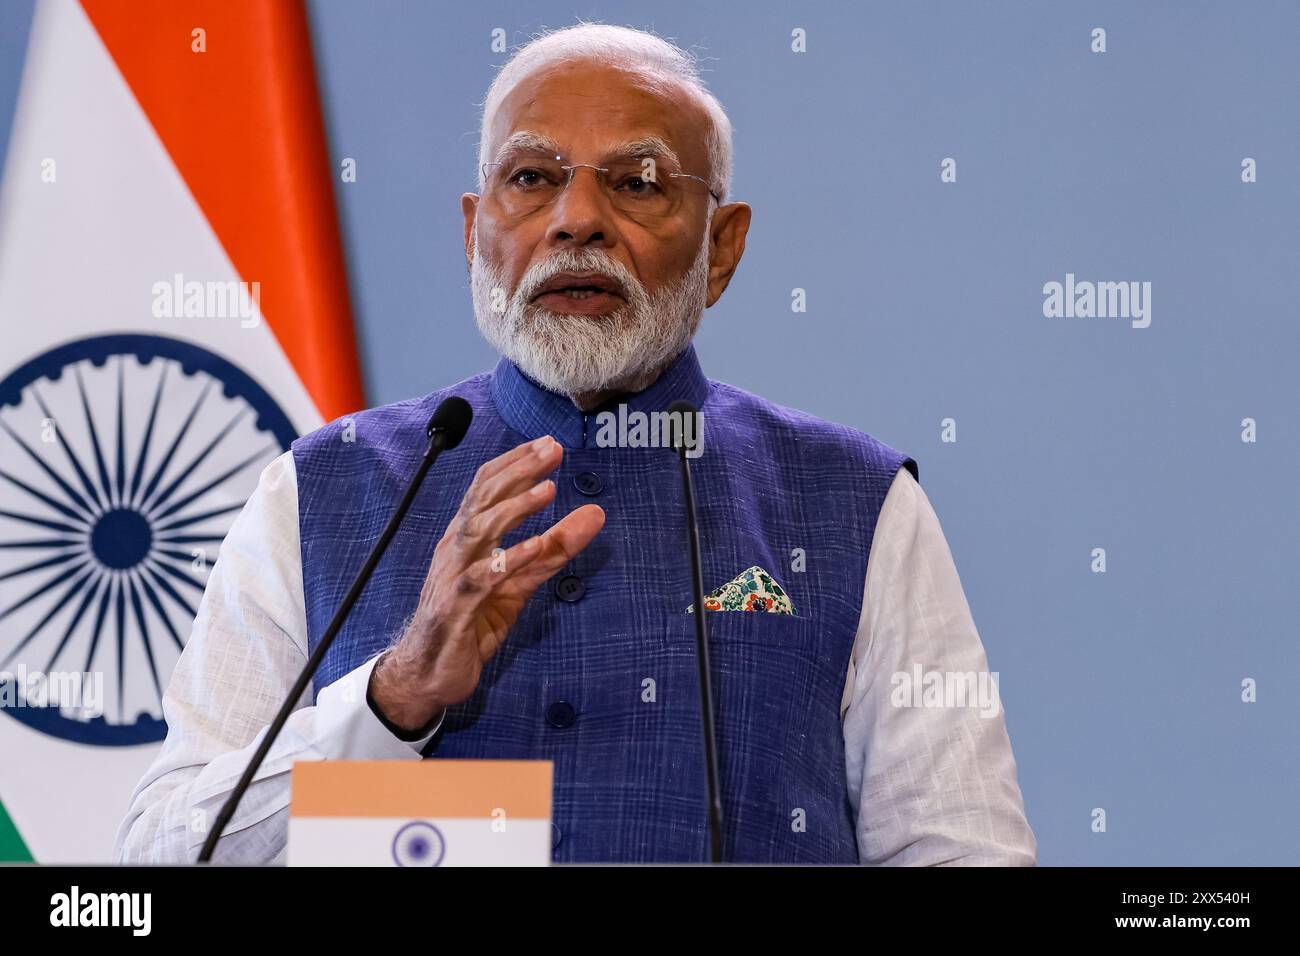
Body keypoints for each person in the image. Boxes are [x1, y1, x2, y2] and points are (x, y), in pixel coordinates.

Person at [116, 22, 1036, 865]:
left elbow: (961, 849)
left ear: (722, 248)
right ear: (476, 233)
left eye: (637, 182)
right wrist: (391, 700)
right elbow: (158, 860)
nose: (576, 219)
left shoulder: (856, 502)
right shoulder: (321, 490)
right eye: (533, 178)